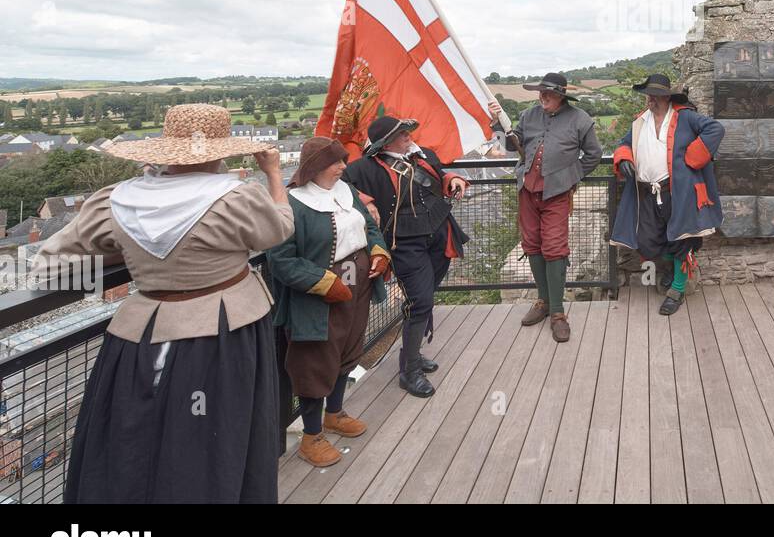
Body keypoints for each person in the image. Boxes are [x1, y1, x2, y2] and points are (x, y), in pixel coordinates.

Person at [36, 104, 293, 503]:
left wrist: (131, 250)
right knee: (216, 436)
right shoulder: (237, 198)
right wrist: (274, 173)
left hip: (142, 335)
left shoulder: (117, 201)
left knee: (139, 438)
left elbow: (49, 264)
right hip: (224, 335)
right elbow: (279, 228)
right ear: (221, 152)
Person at [267, 136, 391, 468]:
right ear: (317, 167)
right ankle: (311, 436)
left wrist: (378, 253)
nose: (343, 167)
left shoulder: (346, 191)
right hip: (318, 298)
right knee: (315, 360)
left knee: (348, 350)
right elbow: (281, 260)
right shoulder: (291, 204)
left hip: (358, 285)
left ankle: (334, 413)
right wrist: (323, 282)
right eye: (336, 162)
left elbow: (369, 227)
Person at [341, 115, 469, 397]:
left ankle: (412, 355)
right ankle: (409, 372)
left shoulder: (423, 156)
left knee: (424, 298)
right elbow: (339, 185)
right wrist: (365, 202)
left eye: (407, 131)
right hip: (405, 243)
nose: (408, 135)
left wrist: (453, 178)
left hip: (438, 232)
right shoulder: (364, 168)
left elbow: (440, 175)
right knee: (420, 301)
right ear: (387, 142)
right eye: (402, 133)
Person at [488, 72, 601, 342]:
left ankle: (558, 313)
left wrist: (571, 177)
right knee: (532, 245)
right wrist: (496, 123)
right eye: (540, 92)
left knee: (554, 248)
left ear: (561, 95)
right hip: (527, 191)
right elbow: (509, 146)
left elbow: (594, 155)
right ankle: (543, 301)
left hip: (557, 194)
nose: (542, 97)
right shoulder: (528, 116)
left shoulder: (580, 120)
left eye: (548, 93)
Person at [610, 74, 724, 316]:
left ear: (666, 96)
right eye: (648, 94)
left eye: (653, 94)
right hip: (648, 194)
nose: (649, 98)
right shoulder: (640, 121)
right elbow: (623, 143)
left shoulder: (685, 116)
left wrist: (693, 157)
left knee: (682, 240)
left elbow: (715, 128)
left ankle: (677, 290)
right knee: (649, 240)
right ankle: (673, 270)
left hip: (679, 193)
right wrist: (625, 159)